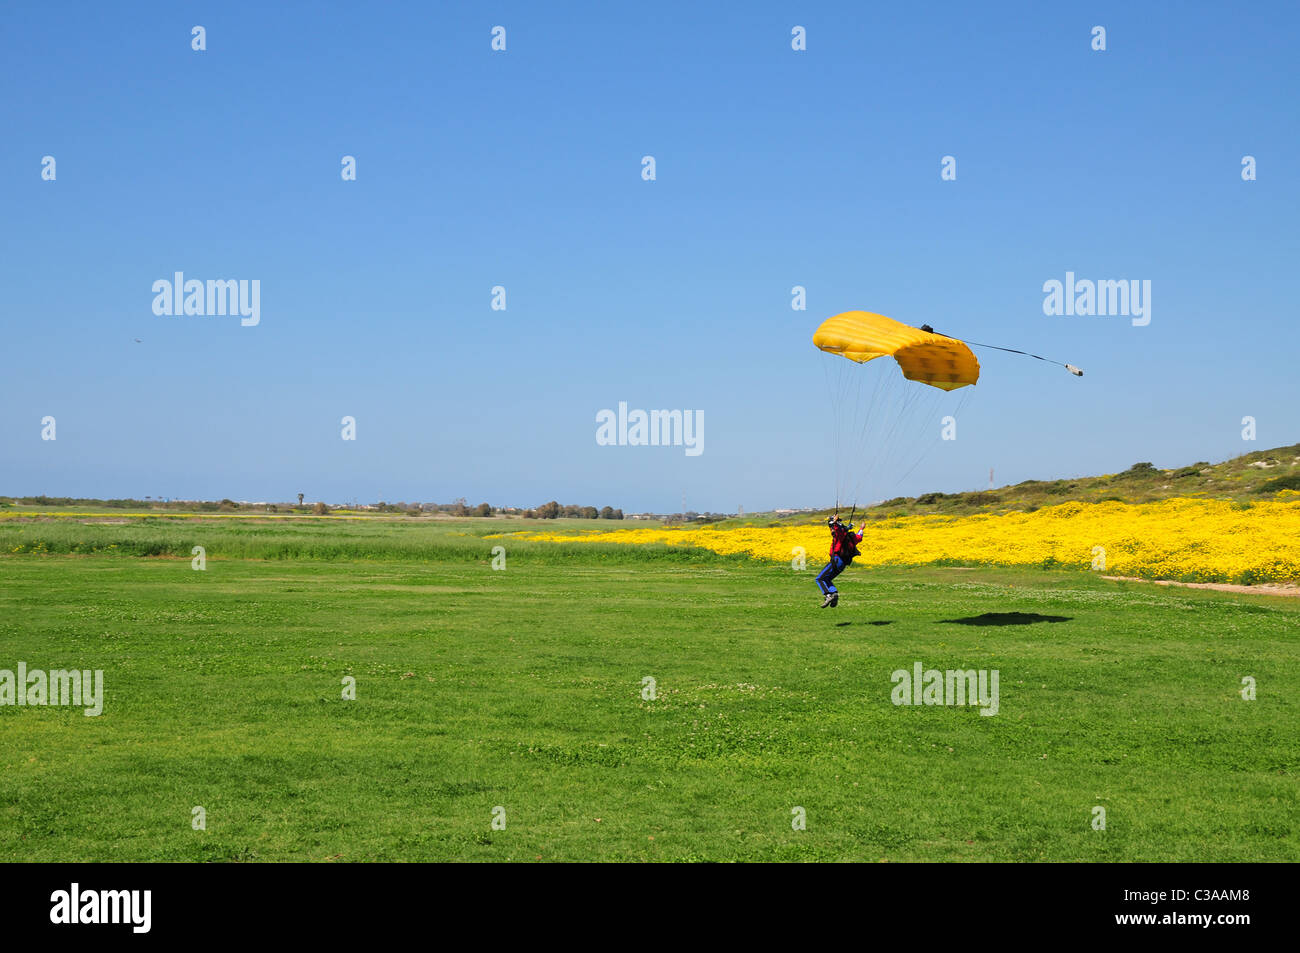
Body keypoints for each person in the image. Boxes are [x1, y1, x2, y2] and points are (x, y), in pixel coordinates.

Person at [815, 515, 863, 608]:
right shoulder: (852, 537)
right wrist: (861, 528)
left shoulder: (840, 535)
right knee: (827, 579)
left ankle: (828, 595)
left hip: (837, 560)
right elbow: (859, 537)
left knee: (819, 579)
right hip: (843, 564)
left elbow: (837, 531)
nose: (831, 530)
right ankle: (834, 594)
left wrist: (835, 522)